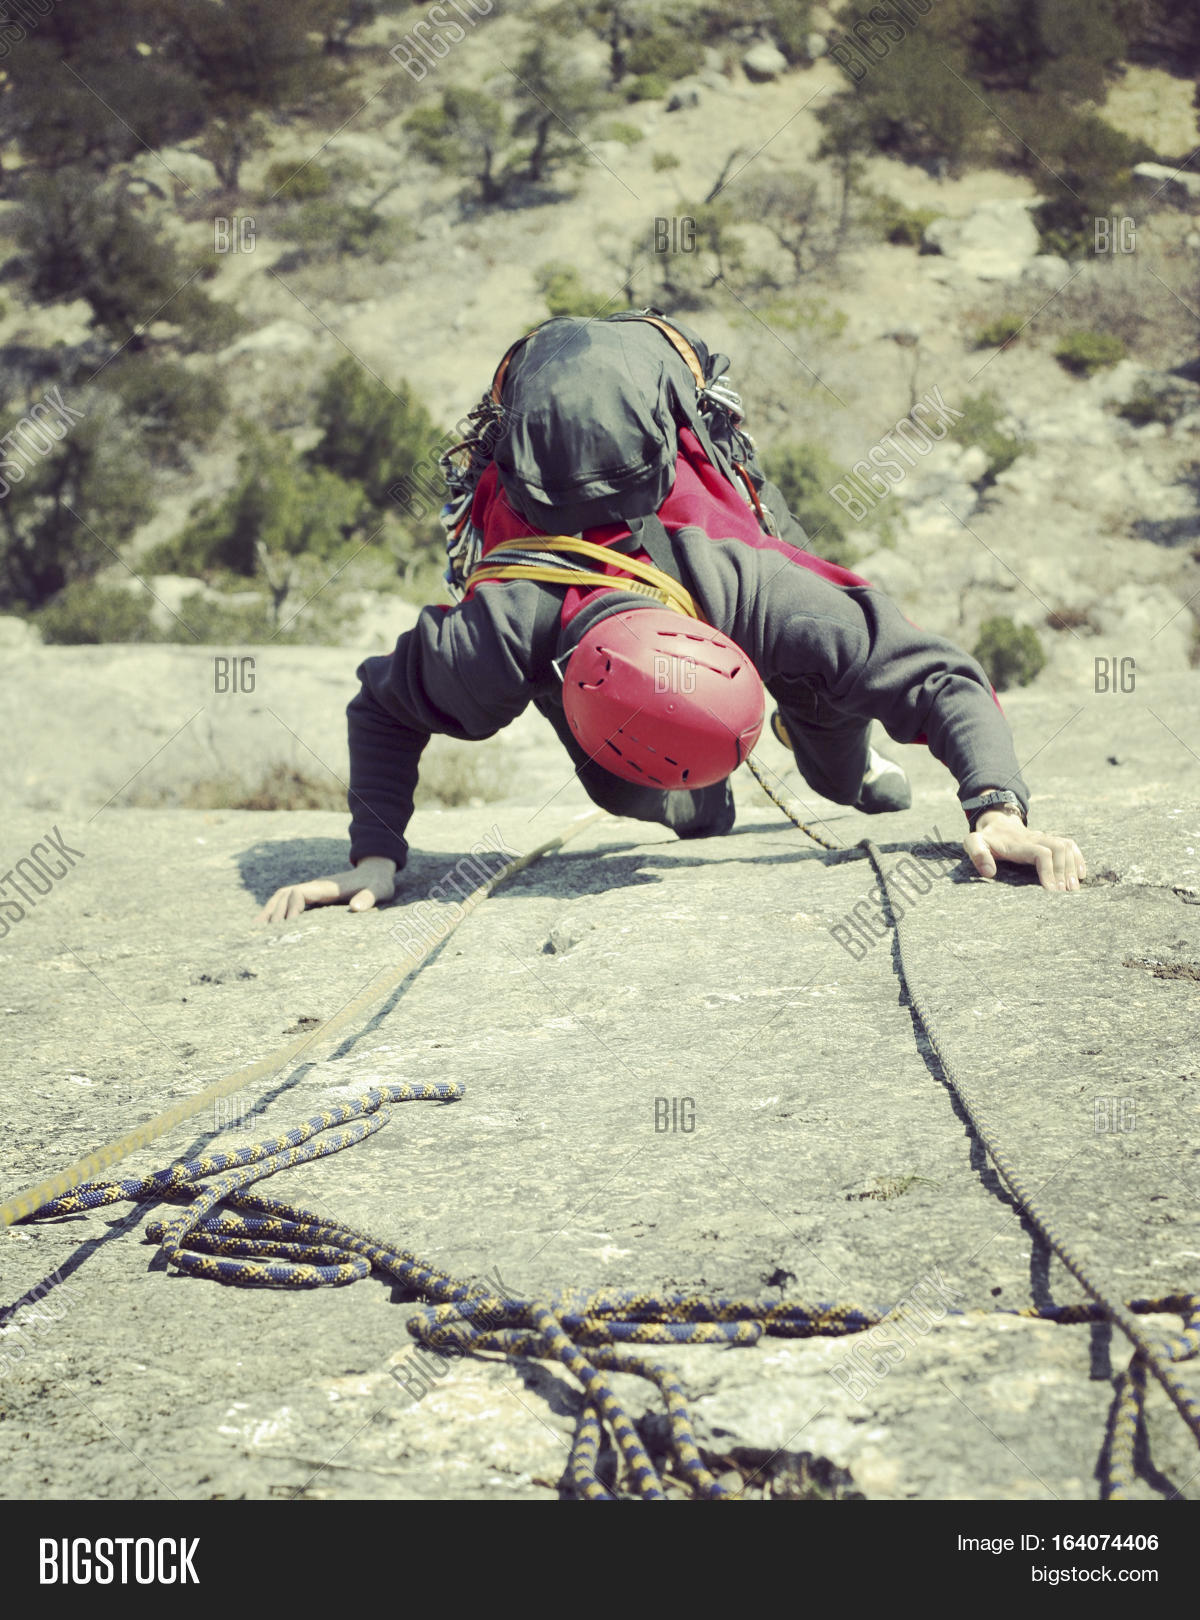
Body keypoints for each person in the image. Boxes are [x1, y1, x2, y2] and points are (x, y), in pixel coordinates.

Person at [259, 320, 1085, 923]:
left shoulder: (748, 577)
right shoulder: (507, 627)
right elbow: (382, 706)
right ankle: (702, 798)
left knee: (837, 767)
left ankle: (822, 735)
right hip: (575, 584)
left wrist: (997, 808)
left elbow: (935, 674)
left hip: (692, 507)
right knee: (635, 793)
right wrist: (376, 855)